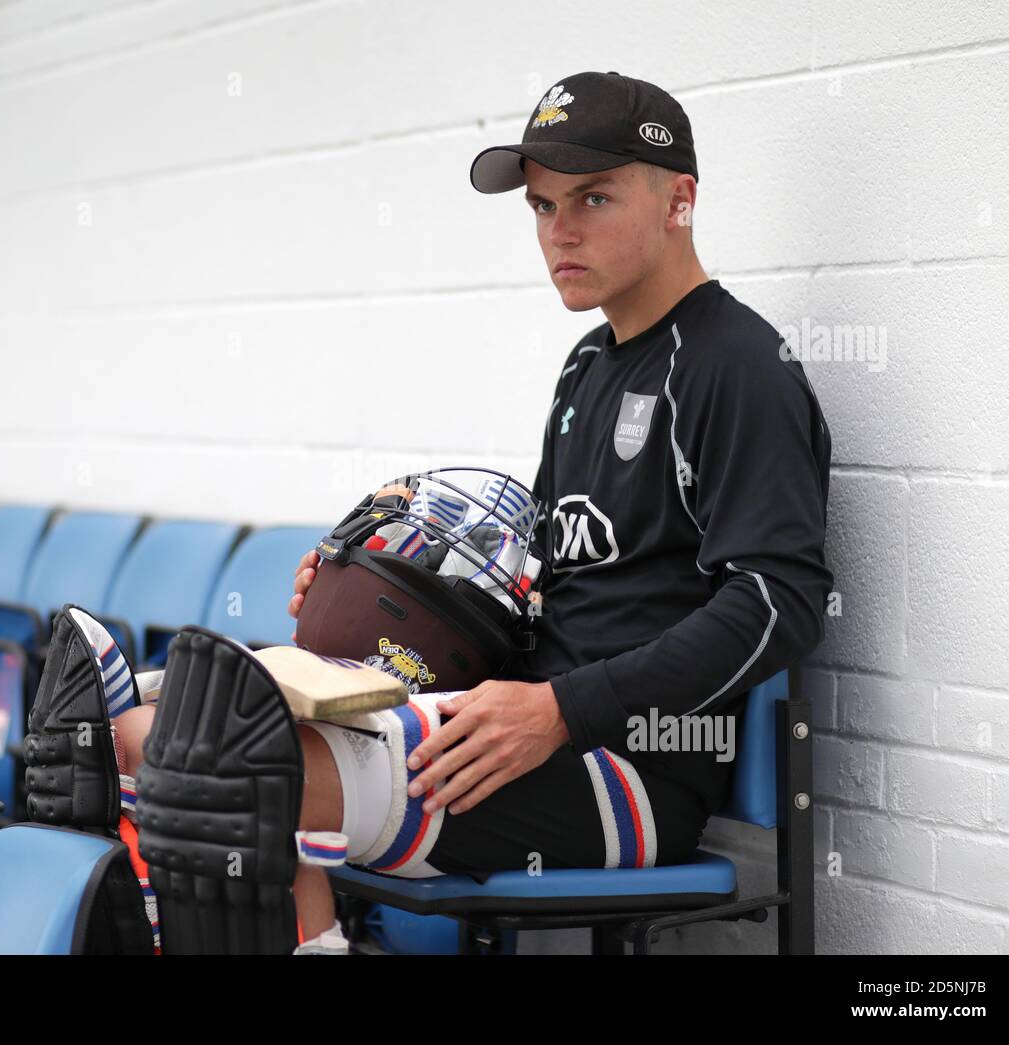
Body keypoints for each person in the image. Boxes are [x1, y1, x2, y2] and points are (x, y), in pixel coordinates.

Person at [282, 70, 834, 949]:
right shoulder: (586, 367)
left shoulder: (738, 369)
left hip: (632, 768)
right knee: (165, 732)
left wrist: (561, 711)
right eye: (542, 207)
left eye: (593, 197)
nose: (559, 232)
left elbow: (780, 604)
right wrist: (375, 584)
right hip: (524, 726)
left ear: (678, 202)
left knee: (249, 765)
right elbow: (542, 579)